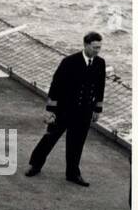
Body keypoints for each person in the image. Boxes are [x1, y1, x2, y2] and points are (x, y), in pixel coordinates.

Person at [25, 31, 106, 186]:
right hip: (64, 110)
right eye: (95, 47)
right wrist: (50, 110)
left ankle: (73, 173)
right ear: (86, 45)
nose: (97, 51)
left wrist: (97, 110)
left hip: (84, 112)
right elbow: (55, 86)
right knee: (49, 138)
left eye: (99, 48)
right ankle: (35, 165)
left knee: (76, 143)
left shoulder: (100, 63)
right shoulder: (69, 62)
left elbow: (100, 87)